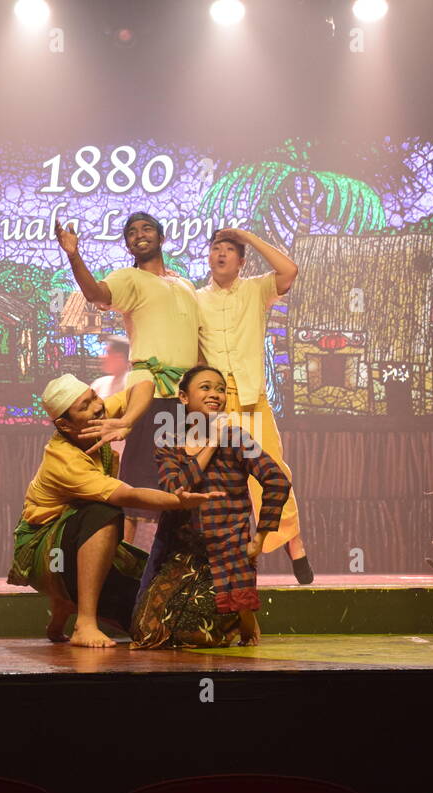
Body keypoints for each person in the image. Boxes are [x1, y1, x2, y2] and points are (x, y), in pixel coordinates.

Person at [8, 373, 222, 648]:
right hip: (47, 553)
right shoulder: (64, 461)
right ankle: (84, 622)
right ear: (64, 424)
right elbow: (127, 495)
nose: (97, 406)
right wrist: (179, 501)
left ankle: (65, 604)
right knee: (103, 511)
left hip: (73, 541)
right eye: (84, 407)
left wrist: (126, 421)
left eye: (93, 397)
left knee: (150, 618)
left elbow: (145, 384)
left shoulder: (97, 415)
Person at [55, 213, 199, 544]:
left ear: (162, 238)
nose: (139, 235)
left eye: (147, 228)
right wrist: (74, 255)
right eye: (132, 232)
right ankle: (124, 568)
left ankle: (172, 574)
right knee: (141, 491)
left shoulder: (186, 284)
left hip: (186, 399)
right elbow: (95, 293)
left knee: (186, 488)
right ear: (128, 244)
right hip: (153, 392)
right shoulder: (129, 279)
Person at [131, 366, 292, 649]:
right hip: (183, 554)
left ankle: (239, 617)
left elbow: (277, 480)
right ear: (183, 397)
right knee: (147, 633)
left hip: (227, 556)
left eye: (220, 389)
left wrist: (260, 537)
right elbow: (177, 488)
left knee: (198, 634)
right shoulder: (169, 442)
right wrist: (211, 444)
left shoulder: (238, 438)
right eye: (205, 388)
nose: (215, 394)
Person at [196, 227, 312, 583]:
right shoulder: (196, 297)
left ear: (242, 260)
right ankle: (220, 561)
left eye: (229, 249)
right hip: (215, 402)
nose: (221, 254)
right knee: (215, 481)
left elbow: (289, 270)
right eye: (216, 248)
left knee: (274, 472)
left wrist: (246, 236)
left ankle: (296, 546)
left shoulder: (256, 289)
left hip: (250, 397)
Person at [88, 334, 130, 459]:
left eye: (107, 353)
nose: (102, 357)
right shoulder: (99, 384)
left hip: (124, 452)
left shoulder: (132, 384)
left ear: (119, 357)